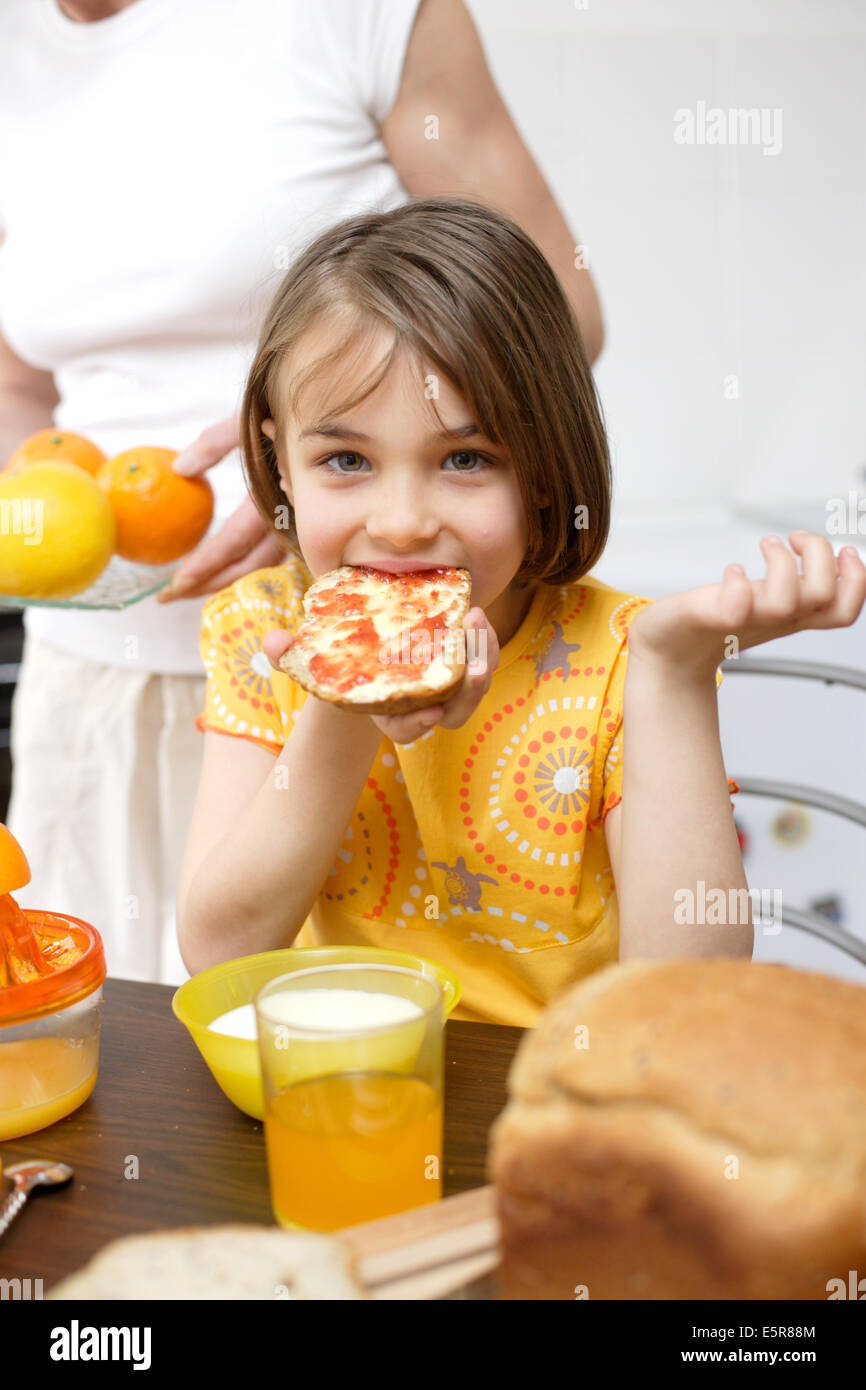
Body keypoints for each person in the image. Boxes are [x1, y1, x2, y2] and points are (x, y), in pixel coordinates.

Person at [0, 0, 604, 984]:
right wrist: (48, 516)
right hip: (92, 679)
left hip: (350, 668)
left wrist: (305, 480)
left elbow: (554, 316)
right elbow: (19, 382)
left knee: (307, 1035)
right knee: (97, 1058)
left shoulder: (355, 14)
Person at [176, 196, 866, 1026]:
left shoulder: (620, 657)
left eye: (465, 458)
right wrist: (349, 691)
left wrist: (673, 674)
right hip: (355, 1093)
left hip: (565, 1105)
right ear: (280, 464)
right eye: (346, 459)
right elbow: (220, 953)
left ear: (543, 470)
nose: (400, 521)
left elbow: (688, 993)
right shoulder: (262, 632)